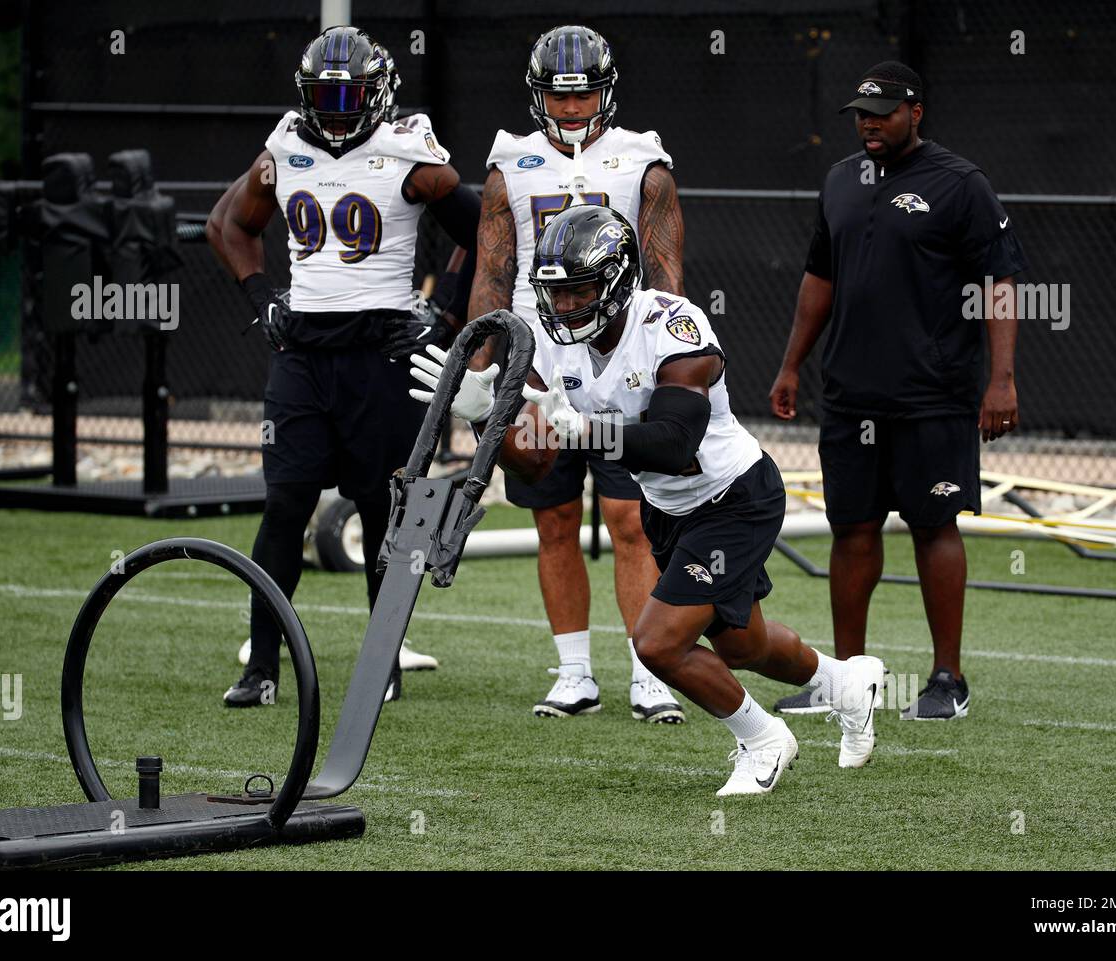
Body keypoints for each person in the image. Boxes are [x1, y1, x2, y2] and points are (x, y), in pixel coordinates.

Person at [409, 205, 884, 794]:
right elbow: (534, 468)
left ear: (615, 281)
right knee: (743, 645)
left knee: (658, 643)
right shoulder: (553, 344)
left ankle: (763, 739)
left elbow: (674, 442)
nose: (562, 307)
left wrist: (583, 432)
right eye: (553, 293)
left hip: (733, 495)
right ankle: (844, 684)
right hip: (669, 508)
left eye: (577, 290)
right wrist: (491, 422)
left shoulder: (672, 326)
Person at [206, 25, 479, 707]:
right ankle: (261, 667)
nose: (332, 109)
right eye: (321, 95)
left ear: (378, 94)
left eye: (345, 94)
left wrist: (444, 313)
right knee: (283, 504)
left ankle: (380, 664)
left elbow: (489, 234)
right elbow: (227, 223)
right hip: (303, 353)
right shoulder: (286, 148)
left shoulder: (410, 154)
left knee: (383, 508)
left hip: (383, 352)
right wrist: (261, 297)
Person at [768, 62, 1026, 720]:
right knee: (850, 529)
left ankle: (948, 678)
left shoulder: (960, 183)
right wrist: (792, 362)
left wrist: (1001, 378)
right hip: (850, 392)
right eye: (860, 113)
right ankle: (847, 679)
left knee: (933, 525)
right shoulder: (840, 180)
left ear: (917, 111)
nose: (868, 123)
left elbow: (1000, 282)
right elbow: (818, 278)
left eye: (881, 112)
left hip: (933, 393)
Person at [466, 24, 687, 722]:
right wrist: (477, 371)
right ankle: (573, 673)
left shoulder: (641, 161)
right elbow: (492, 273)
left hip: (618, 365)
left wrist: (666, 365)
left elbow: (667, 279)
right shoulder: (511, 165)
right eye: (559, 97)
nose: (570, 109)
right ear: (537, 97)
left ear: (606, 90)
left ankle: (648, 670)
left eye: (583, 93)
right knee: (555, 519)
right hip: (536, 370)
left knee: (631, 518)